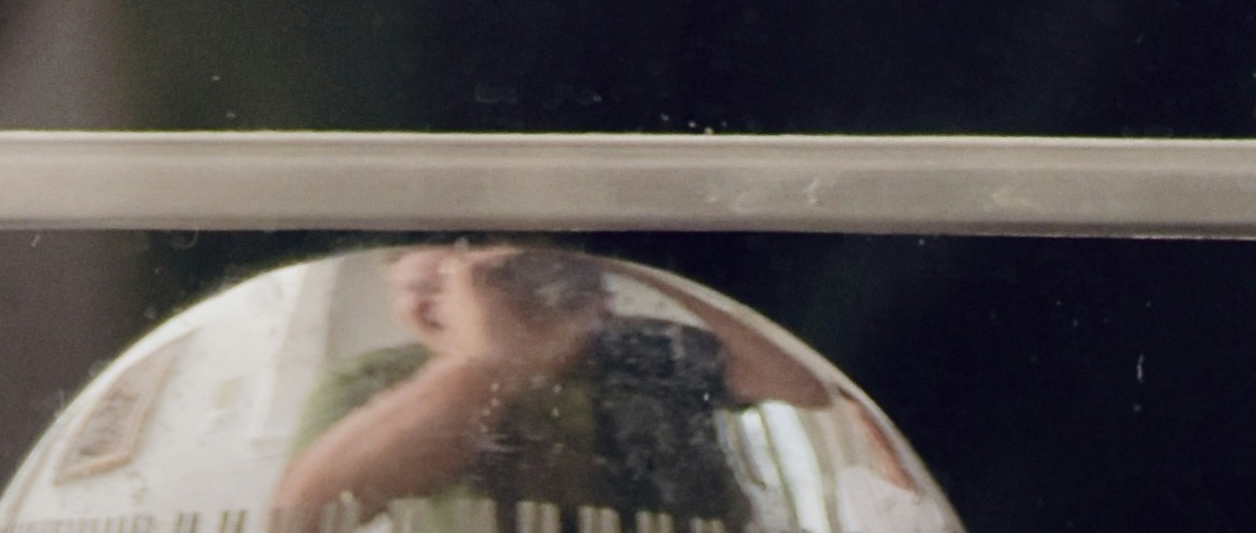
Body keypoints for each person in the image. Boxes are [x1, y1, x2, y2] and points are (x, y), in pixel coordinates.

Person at [273, 238, 847, 529]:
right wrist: (486, 364)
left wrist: (626, 256)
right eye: (424, 284)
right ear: (394, 304)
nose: (460, 296)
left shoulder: (644, 346)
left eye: (501, 279)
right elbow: (302, 513)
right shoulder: (372, 379)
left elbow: (807, 388)